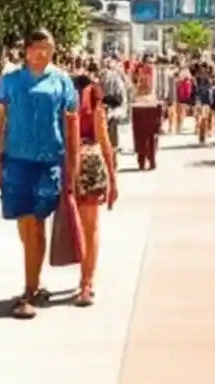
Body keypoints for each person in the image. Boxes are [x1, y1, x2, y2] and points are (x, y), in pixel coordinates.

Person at [0, 28, 81, 319]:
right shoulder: (10, 82)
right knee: (23, 224)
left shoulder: (62, 81)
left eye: (48, 47)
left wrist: (72, 164)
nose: (42, 53)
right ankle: (35, 275)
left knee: (35, 223)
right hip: (15, 159)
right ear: (26, 51)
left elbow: (71, 125)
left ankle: (30, 289)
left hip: (47, 161)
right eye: (37, 47)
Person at [70, 65, 120, 306]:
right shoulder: (93, 100)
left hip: (71, 164)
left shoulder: (63, 96)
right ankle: (86, 282)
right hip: (88, 164)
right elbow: (103, 139)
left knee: (82, 225)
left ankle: (86, 280)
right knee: (89, 226)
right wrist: (112, 176)